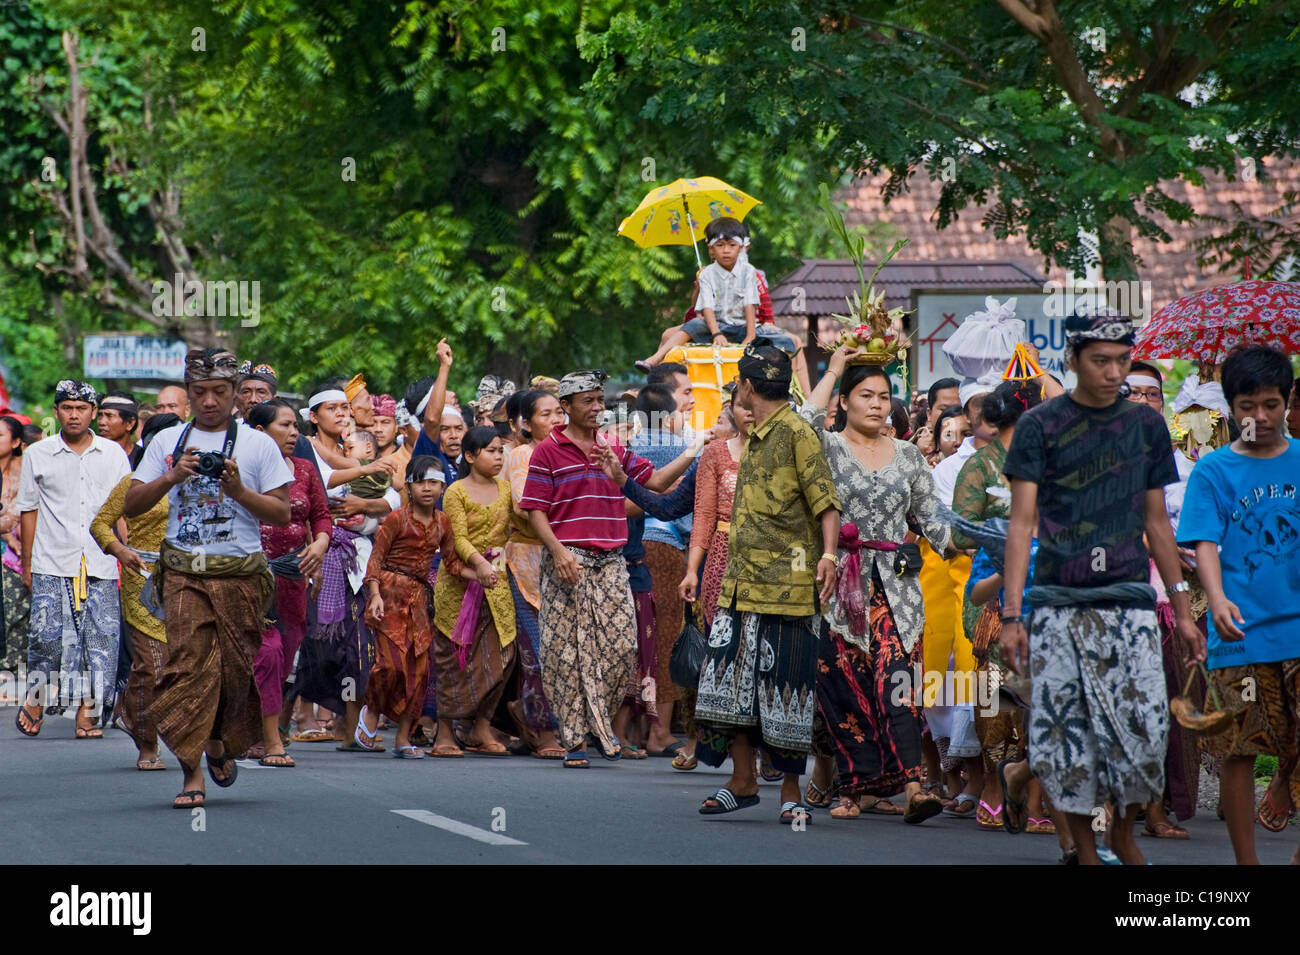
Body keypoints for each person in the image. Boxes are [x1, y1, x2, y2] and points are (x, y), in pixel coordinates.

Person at [999, 310, 1204, 865]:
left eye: (1121, 361)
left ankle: (1125, 828)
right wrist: (1012, 614)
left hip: (1131, 598)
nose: (1114, 373)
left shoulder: (1146, 428)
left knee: (1144, 728)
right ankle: (1086, 850)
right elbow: (1021, 523)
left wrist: (1182, 610)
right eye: (1100, 362)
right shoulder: (1041, 426)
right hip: (1058, 601)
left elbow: (1157, 522)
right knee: (1067, 731)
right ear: (1073, 361)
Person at [125, 350, 293, 809]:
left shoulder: (258, 446)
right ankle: (192, 773)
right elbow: (132, 504)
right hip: (182, 572)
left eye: (220, 391)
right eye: (199, 393)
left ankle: (219, 740)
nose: (210, 401)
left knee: (236, 674)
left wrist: (239, 491)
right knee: (184, 668)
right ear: (188, 395)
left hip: (240, 575)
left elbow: (281, 512)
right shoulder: (168, 442)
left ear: (236, 393)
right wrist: (172, 476)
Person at [797, 347, 951, 822]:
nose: (878, 404)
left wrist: (980, 541)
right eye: (865, 395)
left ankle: (912, 784)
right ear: (843, 401)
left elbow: (933, 518)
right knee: (844, 687)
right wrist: (835, 368)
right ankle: (853, 788)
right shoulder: (824, 445)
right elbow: (797, 423)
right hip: (837, 587)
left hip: (897, 589)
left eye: (885, 396)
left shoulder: (908, 457)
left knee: (896, 680)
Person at [691, 342, 840, 823]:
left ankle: (791, 793)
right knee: (728, 686)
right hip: (739, 587)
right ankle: (743, 780)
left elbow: (827, 502)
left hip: (791, 593)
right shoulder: (751, 434)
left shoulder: (798, 432)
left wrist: (831, 556)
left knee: (788, 691)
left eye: (739, 383)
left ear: (748, 387)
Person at [1176, 345, 1300, 866]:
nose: (1260, 417)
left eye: (1271, 404)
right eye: (1248, 406)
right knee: (1238, 748)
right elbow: (1203, 541)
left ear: (1288, 401)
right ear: (1228, 407)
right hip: (1238, 630)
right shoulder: (1213, 470)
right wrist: (1218, 599)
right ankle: (1246, 865)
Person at [520, 370, 664, 768]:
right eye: (589, 400)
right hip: (566, 561)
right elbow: (534, 509)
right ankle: (575, 741)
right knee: (564, 654)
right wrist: (558, 551)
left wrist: (699, 455)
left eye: (601, 400)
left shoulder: (612, 447)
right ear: (565, 407)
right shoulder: (547, 450)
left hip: (612, 563)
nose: (598, 407)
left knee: (622, 648)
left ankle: (597, 725)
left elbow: (656, 482)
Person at [14, 381, 131, 740]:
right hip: (52, 558)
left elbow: (121, 510)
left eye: (82, 408)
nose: (75, 414)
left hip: (101, 558)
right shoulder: (39, 453)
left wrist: (127, 555)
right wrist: (28, 564)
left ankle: (87, 712)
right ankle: (34, 700)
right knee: (45, 638)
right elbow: (28, 510)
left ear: (93, 412)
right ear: (56, 412)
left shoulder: (112, 454)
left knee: (101, 642)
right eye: (68, 408)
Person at [90, 411, 180, 769]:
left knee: (186, 667)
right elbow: (100, 524)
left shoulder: (199, 483)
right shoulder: (134, 484)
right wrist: (121, 551)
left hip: (190, 580)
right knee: (152, 667)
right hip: (142, 580)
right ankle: (147, 741)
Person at [356, 456, 460, 758]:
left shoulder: (443, 522)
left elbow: (452, 564)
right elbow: (375, 559)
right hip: (388, 594)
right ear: (410, 486)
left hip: (419, 600)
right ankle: (372, 710)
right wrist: (374, 595)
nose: (428, 488)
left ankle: (403, 738)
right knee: (390, 664)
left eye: (435, 482)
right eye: (421, 482)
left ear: (442, 486)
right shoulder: (396, 518)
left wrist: (480, 572)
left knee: (419, 671)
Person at [246, 399, 331, 766]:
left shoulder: (305, 469)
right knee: (266, 652)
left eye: (296, 425)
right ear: (260, 432)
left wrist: (321, 547)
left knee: (287, 654)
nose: (294, 432)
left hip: (294, 576)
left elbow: (322, 515)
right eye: (285, 425)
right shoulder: (242, 471)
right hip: (250, 577)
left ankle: (270, 728)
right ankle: (259, 734)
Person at [426, 428, 517, 756]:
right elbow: (458, 538)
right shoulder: (456, 492)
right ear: (469, 456)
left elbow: (519, 526)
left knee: (502, 655)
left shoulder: (506, 489)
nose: (498, 457)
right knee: (454, 659)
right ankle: (445, 733)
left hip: (498, 583)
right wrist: (479, 565)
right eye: (491, 451)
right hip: (460, 583)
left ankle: (480, 725)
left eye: (500, 451)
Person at [500, 389, 565, 758]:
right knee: (538, 651)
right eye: (546, 414)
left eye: (559, 411)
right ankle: (543, 729)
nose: (556, 419)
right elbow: (526, 506)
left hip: (563, 562)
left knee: (563, 650)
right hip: (526, 561)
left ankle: (535, 719)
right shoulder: (524, 455)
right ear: (526, 423)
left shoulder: (570, 453)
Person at [0, 416, 31, 686]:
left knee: (17, 608)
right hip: (9, 542)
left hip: (21, 549)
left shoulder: (26, 469)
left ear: (17, 442)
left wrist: (15, 537)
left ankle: (13, 662)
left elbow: (25, 510)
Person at [97, 391, 140, 463]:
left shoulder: (143, 458)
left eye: (109, 416)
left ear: (130, 423)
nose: (101, 422)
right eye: (100, 415)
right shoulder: (90, 453)